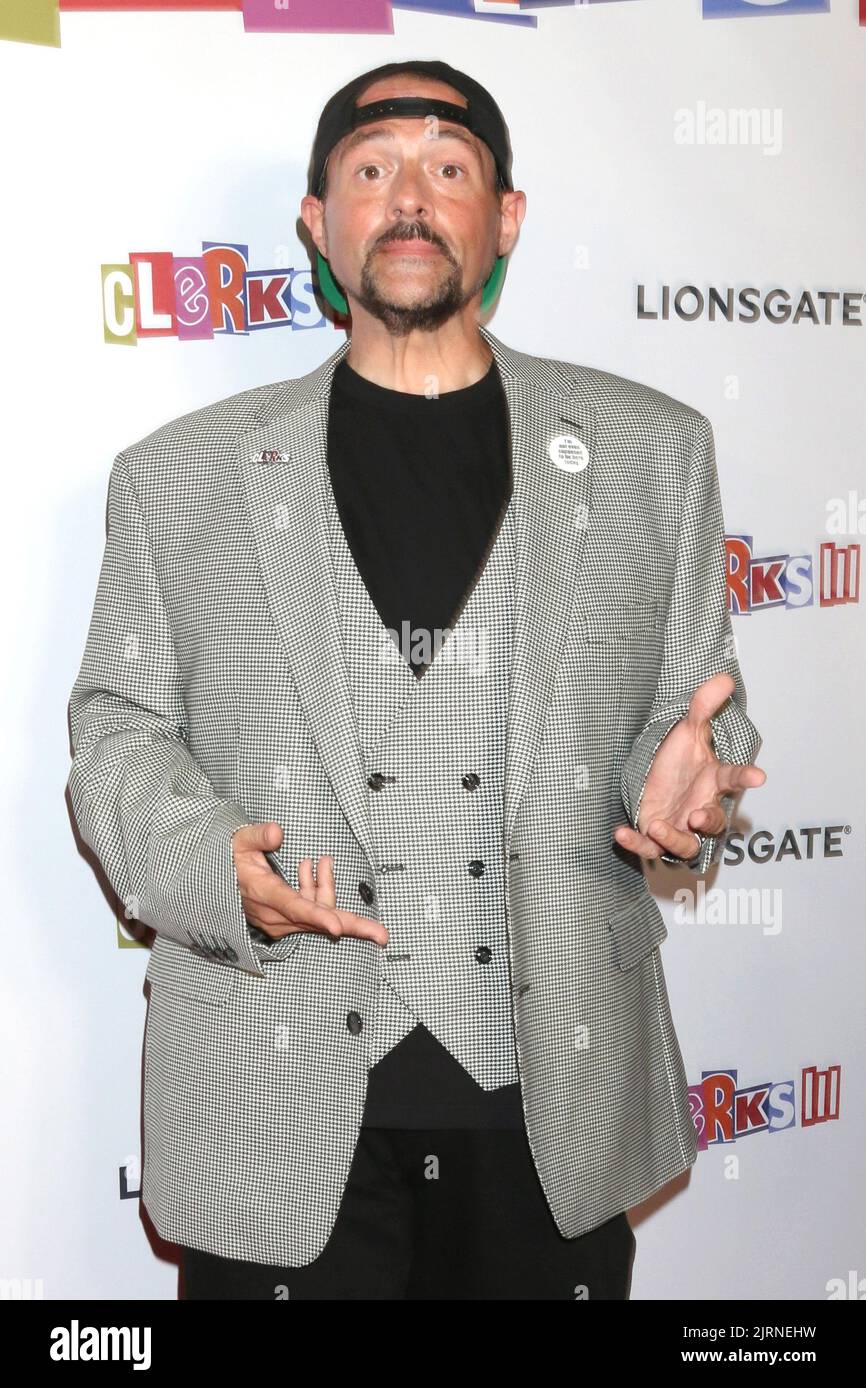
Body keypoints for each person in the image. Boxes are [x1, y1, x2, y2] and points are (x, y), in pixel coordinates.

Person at [66, 59, 766, 1300]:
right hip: (271, 1095)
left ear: (503, 219)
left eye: (448, 170)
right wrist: (201, 857)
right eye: (371, 168)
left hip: (547, 1105)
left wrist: (682, 797)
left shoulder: (654, 453)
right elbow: (118, 729)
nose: (407, 198)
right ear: (315, 221)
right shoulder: (177, 476)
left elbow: (691, 715)